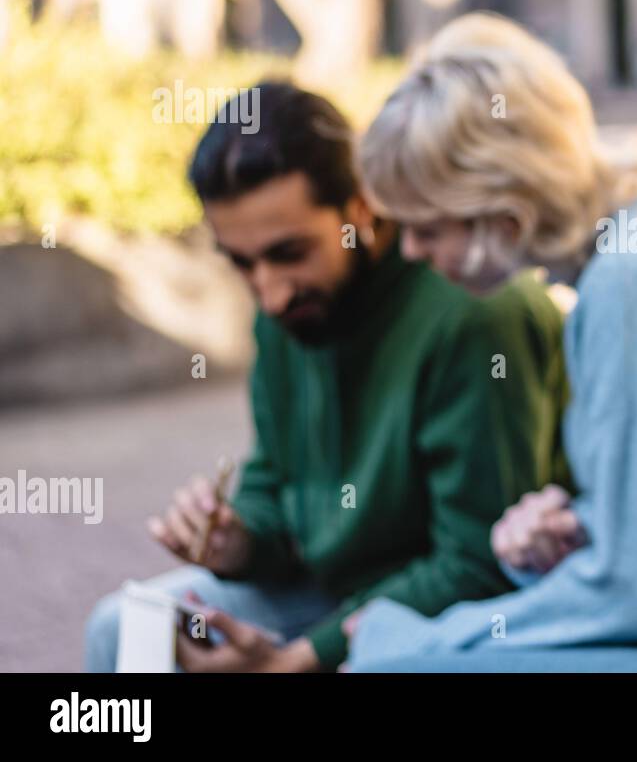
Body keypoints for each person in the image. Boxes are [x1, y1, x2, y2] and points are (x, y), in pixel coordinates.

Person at [344, 13, 637, 672]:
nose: (410, 251)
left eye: (426, 227)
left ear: (502, 213)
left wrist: (421, 642)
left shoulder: (629, 284)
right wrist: (577, 529)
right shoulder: (636, 255)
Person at [84, 82, 567, 672]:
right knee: (126, 630)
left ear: (360, 208)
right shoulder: (287, 309)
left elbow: (477, 564)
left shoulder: (474, 309)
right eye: (241, 262)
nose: (268, 292)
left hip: (442, 613)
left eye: (288, 253)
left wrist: (300, 661)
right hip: (324, 592)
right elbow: (272, 478)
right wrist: (237, 543)